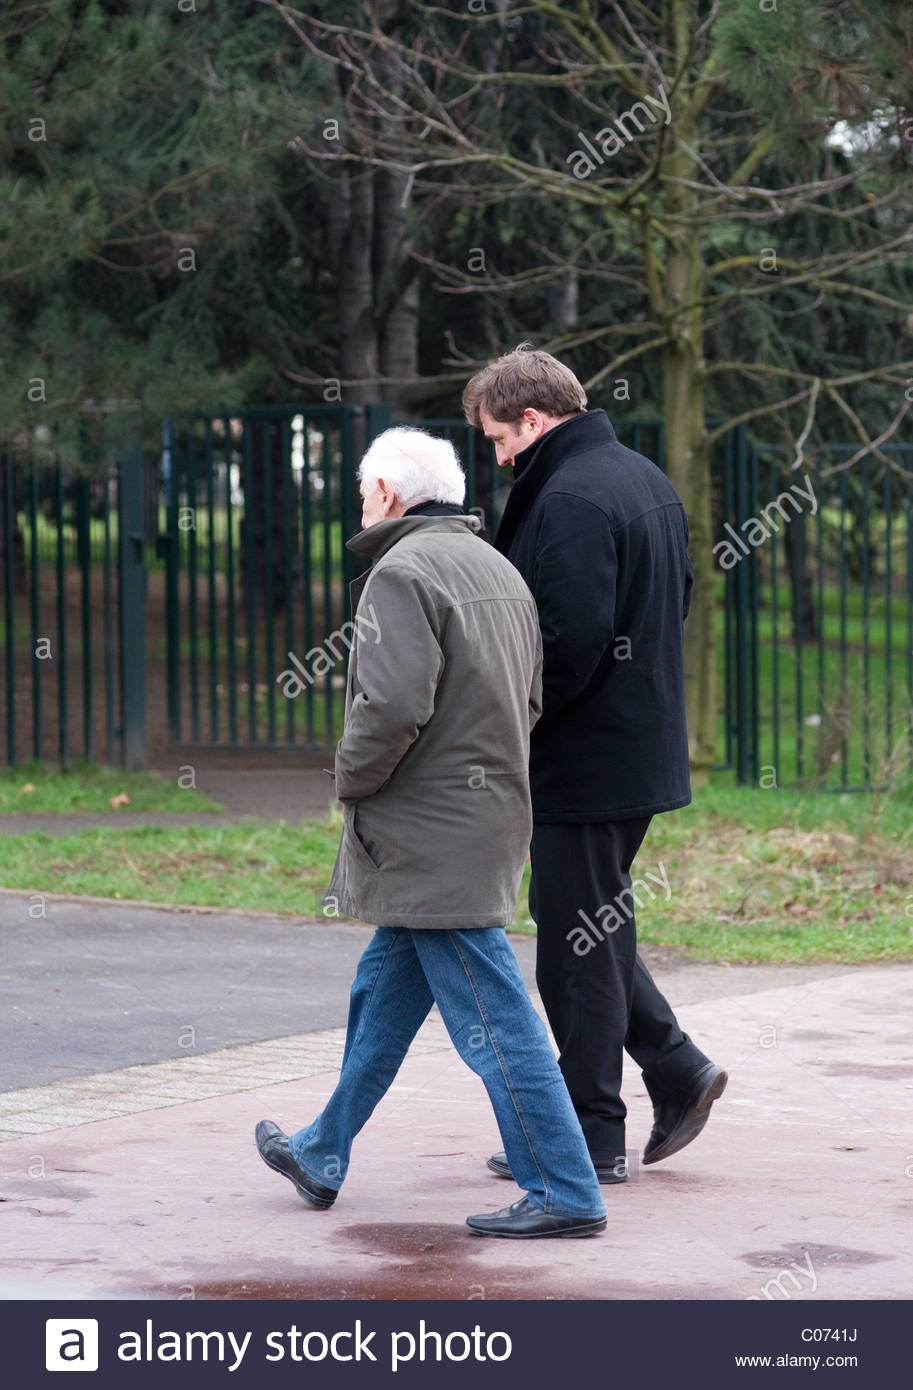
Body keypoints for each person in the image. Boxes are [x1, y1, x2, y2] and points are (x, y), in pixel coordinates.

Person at [255, 426, 607, 1238]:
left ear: (385, 493)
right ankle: (322, 1149)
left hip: (425, 833)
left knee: (494, 1023)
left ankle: (562, 1188)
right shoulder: (497, 568)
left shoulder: (400, 572)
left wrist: (348, 779)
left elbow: (390, 707)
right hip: (483, 819)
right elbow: (528, 698)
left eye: (361, 491)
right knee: (382, 992)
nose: (360, 504)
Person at [461, 345, 727, 1185]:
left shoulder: (570, 497)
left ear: (534, 422)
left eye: (499, 438)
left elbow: (565, 644)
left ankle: (586, 1138)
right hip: (631, 747)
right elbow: (673, 597)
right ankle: (677, 1068)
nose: (498, 456)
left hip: (581, 758)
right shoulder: (640, 476)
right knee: (589, 923)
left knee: (574, 948)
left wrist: (508, 720)